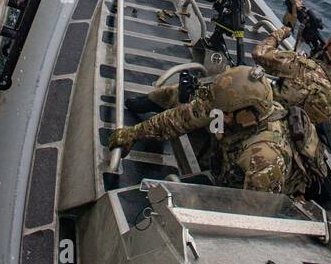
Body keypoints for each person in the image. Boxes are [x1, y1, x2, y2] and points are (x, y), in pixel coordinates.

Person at [108, 64, 311, 194]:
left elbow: (250, 217)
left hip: (250, 194)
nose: (217, 115)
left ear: (248, 114)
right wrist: (133, 133)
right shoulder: (232, 107)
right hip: (227, 163)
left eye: (224, 114)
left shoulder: (263, 158)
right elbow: (183, 118)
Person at [252, 0, 331, 128]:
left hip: (273, 128)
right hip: (308, 143)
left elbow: (259, 53)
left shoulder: (299, 66)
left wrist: (285, 29)